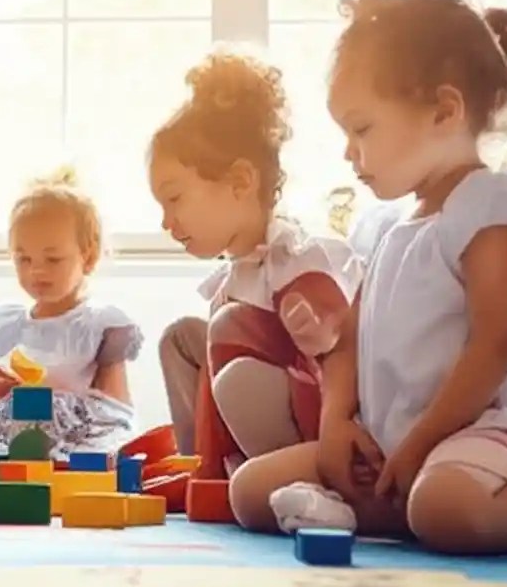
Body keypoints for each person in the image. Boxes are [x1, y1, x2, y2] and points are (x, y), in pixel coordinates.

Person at [232, 0, 507, 553]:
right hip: (402, 441)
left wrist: (419, 446)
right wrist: (336, 424)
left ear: (444, 110)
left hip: (493, 436)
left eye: (361, 129)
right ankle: (378, 508)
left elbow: (496, 344)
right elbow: (347, 342)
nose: (348, 151)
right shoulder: (387, 227)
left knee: (445, 508)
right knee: (250, 489)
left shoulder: (495, 205)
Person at [151, 48, 362, 476]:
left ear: (241, 182)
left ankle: (289, 472)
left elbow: (347, 350)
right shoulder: (238, 273)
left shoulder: (297, 257)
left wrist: (318, 331)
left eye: (175, 199)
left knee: (232, 351)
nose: (166, 222)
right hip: (266, 397)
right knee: (181, 338)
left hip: (319, 418)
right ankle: (202, 462)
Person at [0, 167, 142, 459]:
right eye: (24, 259)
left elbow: (116, 408)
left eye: (53, 259)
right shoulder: (6, 327)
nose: (36, 270)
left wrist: (61, 404)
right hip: (12, 444)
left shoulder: (100, 327)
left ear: (89, 256)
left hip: (76, 447)